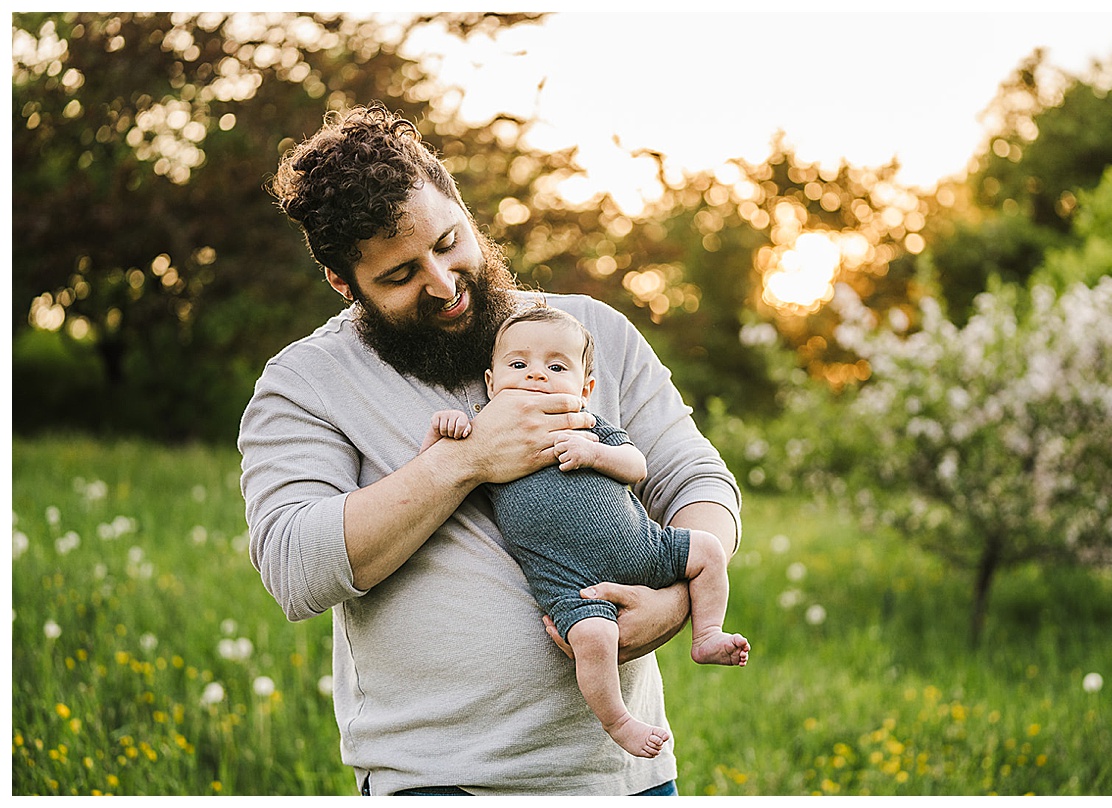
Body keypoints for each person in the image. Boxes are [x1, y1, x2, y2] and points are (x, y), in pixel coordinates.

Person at [238, 103, 742, 796]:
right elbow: (294, 566)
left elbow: (696, 479)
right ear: (342, 281)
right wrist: (467, 460)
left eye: (448, 242)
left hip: (621, 777)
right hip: (439, 781)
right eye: (399, 275)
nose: (443, 284)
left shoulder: (589, 333)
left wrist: (677, 604)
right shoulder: (305, 384)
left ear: (463, 208)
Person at [421, 306, 749, 759]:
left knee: (708, 549)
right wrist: (447, 432)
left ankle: (707, 633)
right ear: (492, 383)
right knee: (595, 639)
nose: (536, 375)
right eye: (519, 365)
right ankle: (618, 720)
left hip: (647, 548)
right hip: (575, 586)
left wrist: (593, 452)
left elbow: (637, 466)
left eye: (556, 367)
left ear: (585, 388)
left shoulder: (591, 427)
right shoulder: (484, 435)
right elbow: (435, 477)